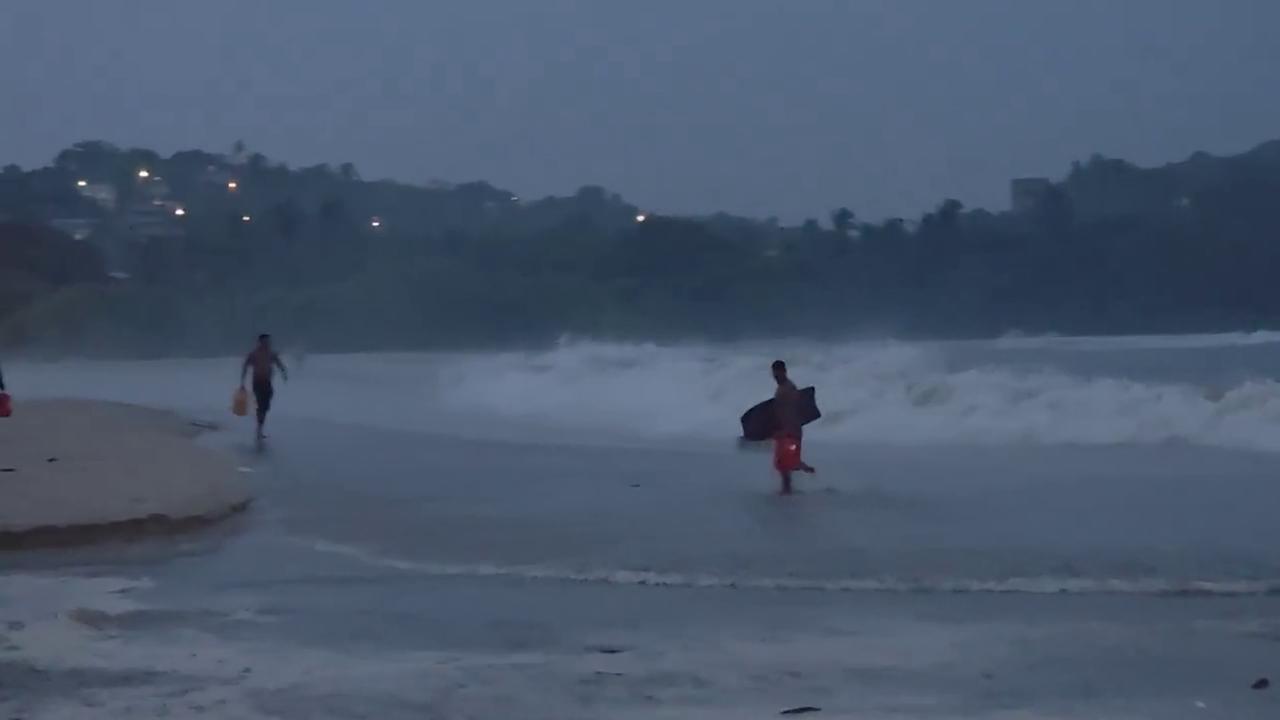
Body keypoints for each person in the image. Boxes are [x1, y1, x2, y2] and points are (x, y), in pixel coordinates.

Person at [771, 360, 815, 494]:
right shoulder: (780, 388)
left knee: (786, 465)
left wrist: (787, 430)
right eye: (774, 375)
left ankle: (787, 491)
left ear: (784, 372)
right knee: (783, 464)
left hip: (790, 432)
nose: (775, 377)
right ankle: (801, 472)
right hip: (784, 432)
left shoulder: (789, 388)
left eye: (777, 374)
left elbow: (792, 412)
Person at [240, 334, 288, 440]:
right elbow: (245, 367)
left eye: (268, 341)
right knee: (262, 404)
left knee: (265, 406)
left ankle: (259, 422)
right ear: (260, 342)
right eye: (265, 341)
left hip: (267, 382)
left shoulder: (271, 353)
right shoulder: (254, 354)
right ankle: (259, 427)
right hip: (257, 382)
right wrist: (242, 383)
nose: (267, 343)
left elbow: (278, 363)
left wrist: (284, 373)